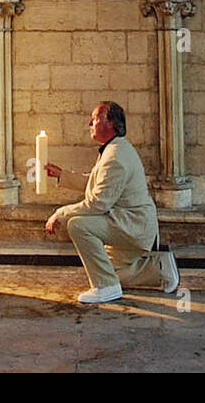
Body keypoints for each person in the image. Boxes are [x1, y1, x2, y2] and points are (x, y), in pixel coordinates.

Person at [44, 101, 180, 304]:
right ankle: (159, 269)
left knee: (77, 224)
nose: (90, 123)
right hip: (131, 225)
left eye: (96, 118)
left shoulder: (115, 157)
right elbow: (100, 184)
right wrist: (62, 175)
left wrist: (60, 213)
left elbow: (97, 203)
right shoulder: (115, 149)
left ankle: (106, 287)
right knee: (108, 270)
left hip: (132, 227)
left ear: (111, 124)